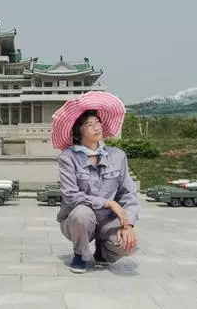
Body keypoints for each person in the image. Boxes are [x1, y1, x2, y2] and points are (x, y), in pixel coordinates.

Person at [51, 91, 140, 274]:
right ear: (79, 131)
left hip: (108, 221)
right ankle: (80, 253)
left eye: (97, 122)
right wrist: (108, 203)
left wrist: (128, 224)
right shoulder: (68, 158)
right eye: (89, 124)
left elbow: (129, 192)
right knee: (82, 214)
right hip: (79, 221)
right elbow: (71, 196)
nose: (96, 127)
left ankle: (103, 252)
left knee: (127, 245)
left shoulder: (118, 156)